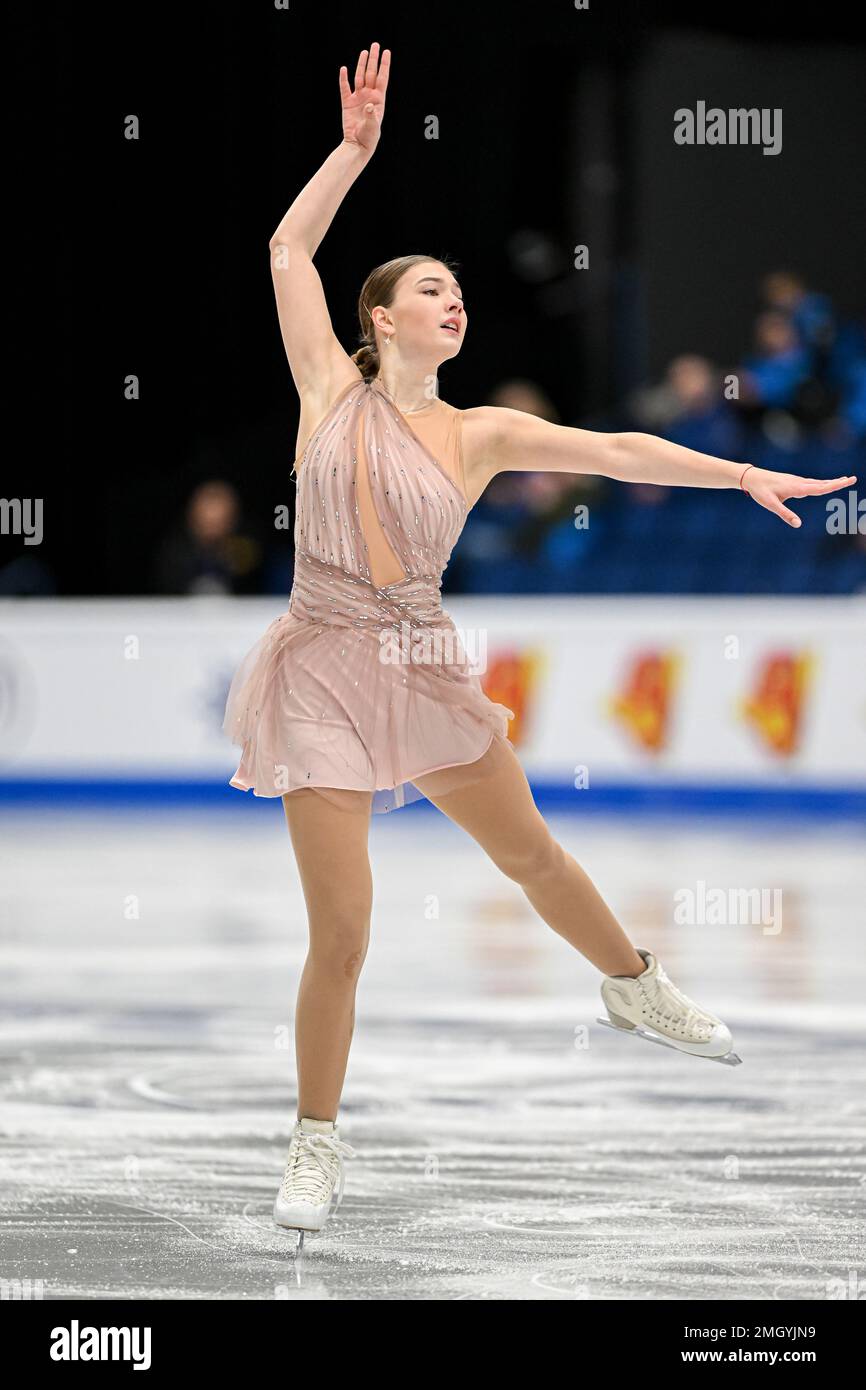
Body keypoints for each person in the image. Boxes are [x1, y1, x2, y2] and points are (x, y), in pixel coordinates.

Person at [222, 43, 857, 1252]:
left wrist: (735, 470)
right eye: (430, 290)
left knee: (533, 855)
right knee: (343, 932)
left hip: (419, 668)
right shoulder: (324, 390)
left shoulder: (476, 431)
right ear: (378, 316)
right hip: (314, 672)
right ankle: (315, 1134)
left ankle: (631, 982)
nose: (451, 303)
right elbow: (286, 251)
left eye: (459, 292)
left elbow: (619, 450)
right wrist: (352, 155)